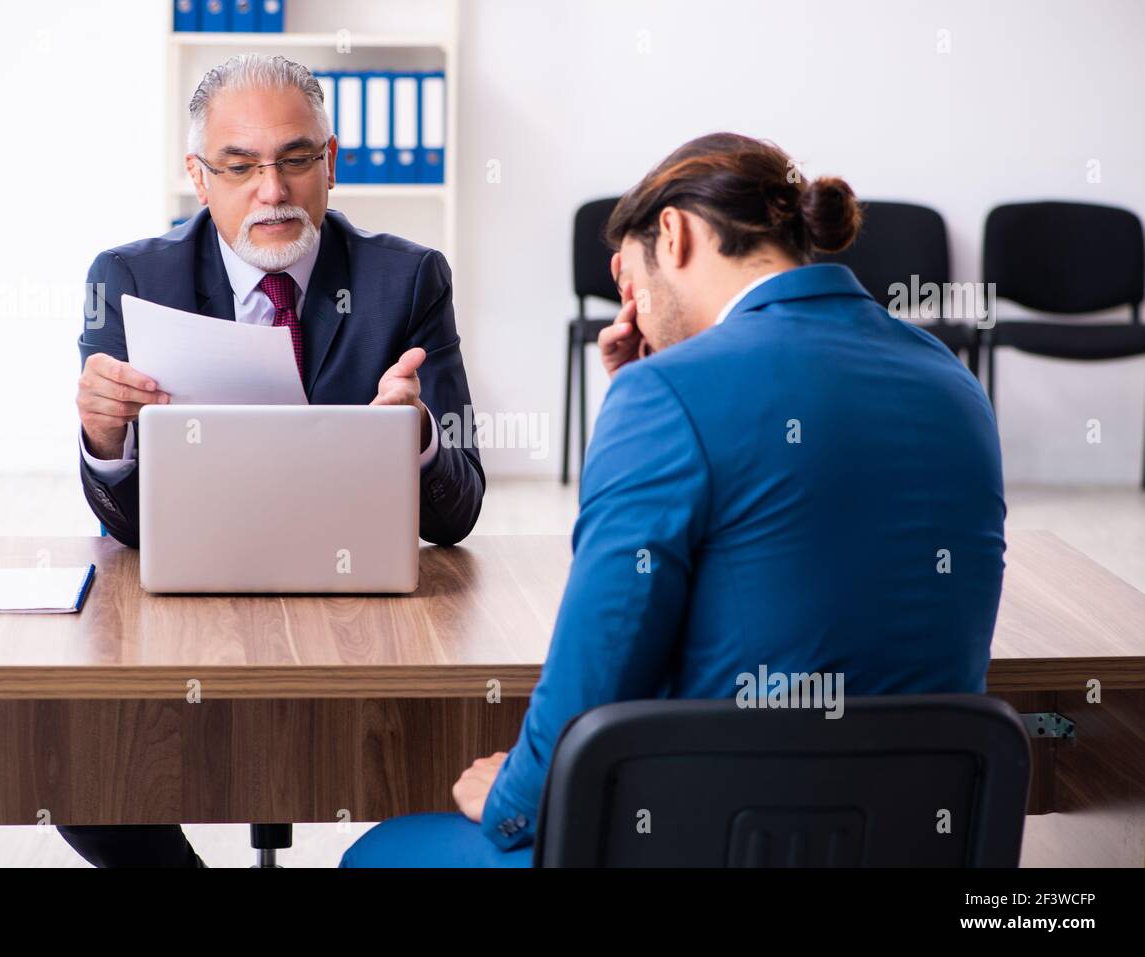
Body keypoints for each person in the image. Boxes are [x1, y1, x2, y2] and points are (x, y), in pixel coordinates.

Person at [341, 132, 1005, 867]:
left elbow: (597, 675)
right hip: (915, 841)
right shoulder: (953, 382)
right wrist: (644, 396)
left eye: (628, 284)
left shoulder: (669, 393)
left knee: (381, 850)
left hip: (719, 838)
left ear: (676, 232)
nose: (631, 313)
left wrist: (510, 803)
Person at [61, 54, 484, 867]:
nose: (273, 190)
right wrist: (107, 441)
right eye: (240, 165)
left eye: (296, 159)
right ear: (198, 175)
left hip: (369, 618)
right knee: (90, 765)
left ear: (331, 162)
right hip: (189, 609)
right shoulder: (130, 279)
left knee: (455, 745)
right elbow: (123, 521)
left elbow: (459, 512)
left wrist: (416, 434)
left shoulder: (408, 279)